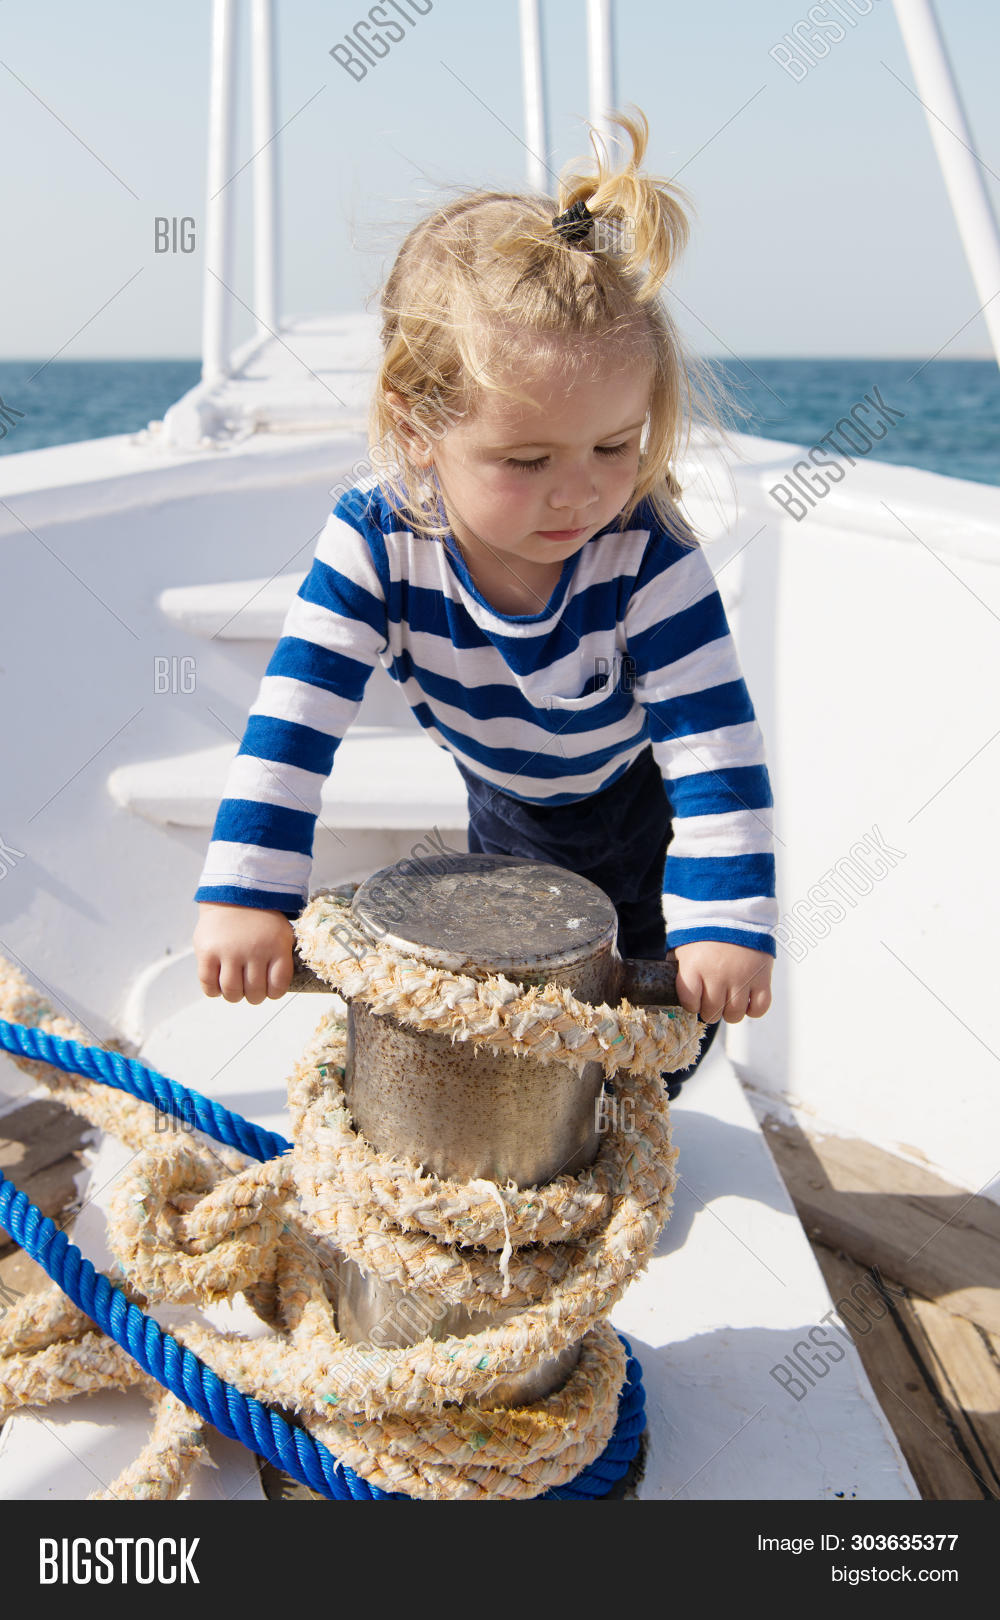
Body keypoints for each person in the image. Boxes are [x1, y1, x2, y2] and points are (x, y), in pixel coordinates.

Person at [193, 107, 777, 1098]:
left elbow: (710, 748)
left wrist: (722, 924)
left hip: (637, 818)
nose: (578, 491)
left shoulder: (645, 549)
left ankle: (627, 1153)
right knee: (515, 1020)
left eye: (611, 444)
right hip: (503, 806)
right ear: (417, 427)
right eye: (525, 459)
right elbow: (291, 727)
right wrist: (248, 895)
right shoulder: (377, 541)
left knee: (640, 1051)